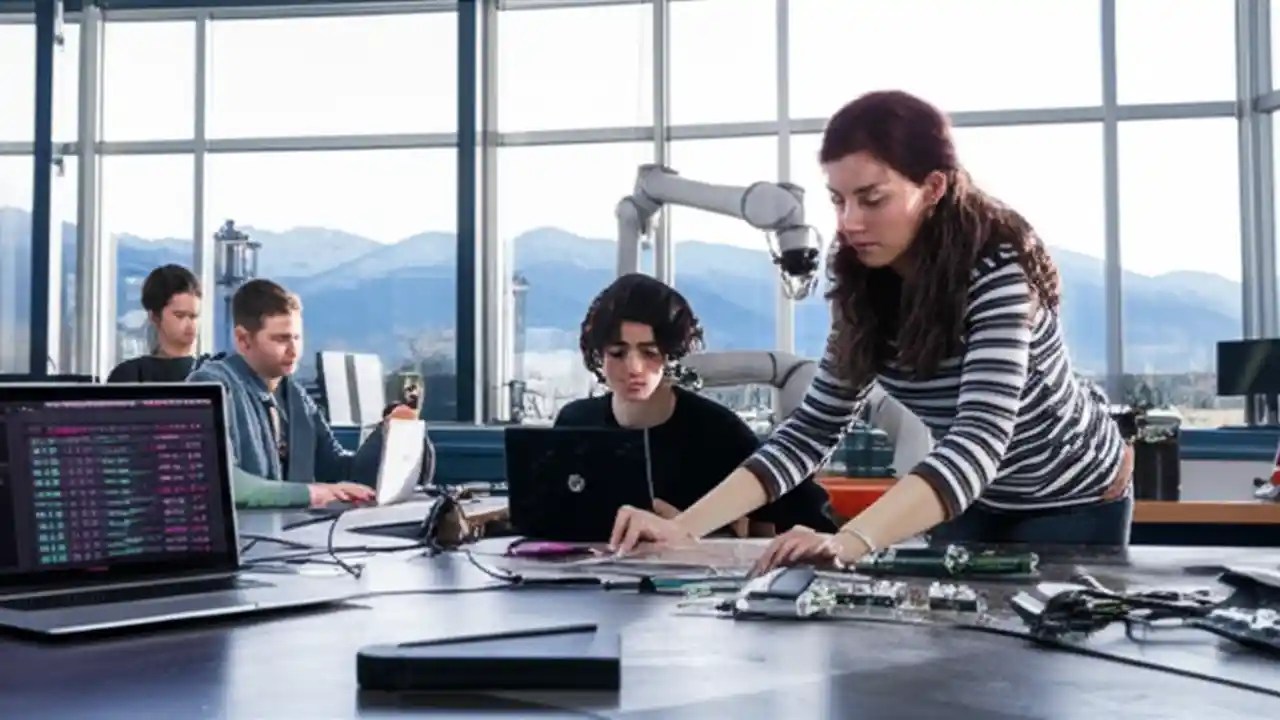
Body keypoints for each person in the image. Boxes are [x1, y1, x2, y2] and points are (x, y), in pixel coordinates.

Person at [608, 90, 1134, 572]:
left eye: (872, 199)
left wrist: (849, 541)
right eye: (838, 200)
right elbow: (813, 427)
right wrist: (681, 529)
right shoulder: (862, 281)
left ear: (932, 188)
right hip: (972, 494)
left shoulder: (997, 270)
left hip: (1072, 494)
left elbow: (978, 437)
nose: (849, 221)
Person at [556, 273, 838, 536]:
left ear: (672, 355)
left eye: (650, 353)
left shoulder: (718, 433)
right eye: (617, 353)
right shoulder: (574, 423)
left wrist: (688, 530)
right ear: (598, 356)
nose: (634, 367)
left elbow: (810, 520)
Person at [188, 279, 415, 509]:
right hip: (242, 539)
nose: (294, 350)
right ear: (243, 340)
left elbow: (338, 470)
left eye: (296, 337)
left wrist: (388, 435)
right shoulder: (210, 386)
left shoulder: (296, 397)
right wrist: (313, 494)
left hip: (291, 537)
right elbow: (219, 480)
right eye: (280, 339)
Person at [107, 264, 216, 383]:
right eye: (180, 316)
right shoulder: (129, 375)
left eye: (194, 316)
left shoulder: (214, 374)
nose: (190, 324)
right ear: (154, 316)